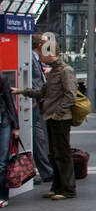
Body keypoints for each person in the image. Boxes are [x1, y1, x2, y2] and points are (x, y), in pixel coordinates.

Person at [17, 35, 79, 199]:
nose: (40, 57)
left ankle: (67, 188)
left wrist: (58, 113)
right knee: (55, 153)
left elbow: (71, 95)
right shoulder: (54, 71)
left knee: (62, 153)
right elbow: (43, 92)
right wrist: (21, 92)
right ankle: (58, 186)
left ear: (50, 53)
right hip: (52, 117)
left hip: (60, 118)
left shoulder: (65, 71)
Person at [27, 45, 54, 184]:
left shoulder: (36, 59)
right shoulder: (30, 57)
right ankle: (46, 171)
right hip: (35, 102)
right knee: (39, 137)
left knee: (41, 137)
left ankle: (46, 170)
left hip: (40, 101)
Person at [0, 72, 21, 209]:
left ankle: (2, 196)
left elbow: (9, 102)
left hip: (4, 123)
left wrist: (16, 127)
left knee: (2, 161)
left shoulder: (2, 78)